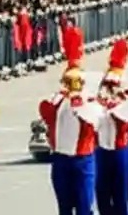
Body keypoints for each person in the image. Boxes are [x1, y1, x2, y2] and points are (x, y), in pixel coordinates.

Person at [40, 26, 102, 215]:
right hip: (61, 159)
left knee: (84, 207)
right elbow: (45, 111)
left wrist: (79, 101)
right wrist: (62, 96)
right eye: (68, 82)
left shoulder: (89, 100)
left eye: (75, 82)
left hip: (83, 159)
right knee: (65, 208)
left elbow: (93, 119)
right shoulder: (57, 100)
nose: (71, 86)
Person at [95, 40, 128, 215]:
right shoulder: (98, 102)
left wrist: (115, 104)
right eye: (108, 86)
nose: (110, 89)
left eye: (113, 86)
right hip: (101, 151)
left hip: (120, 150)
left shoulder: (127, 101)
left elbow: (126, 121)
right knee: (102, 193)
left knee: (121, 194)